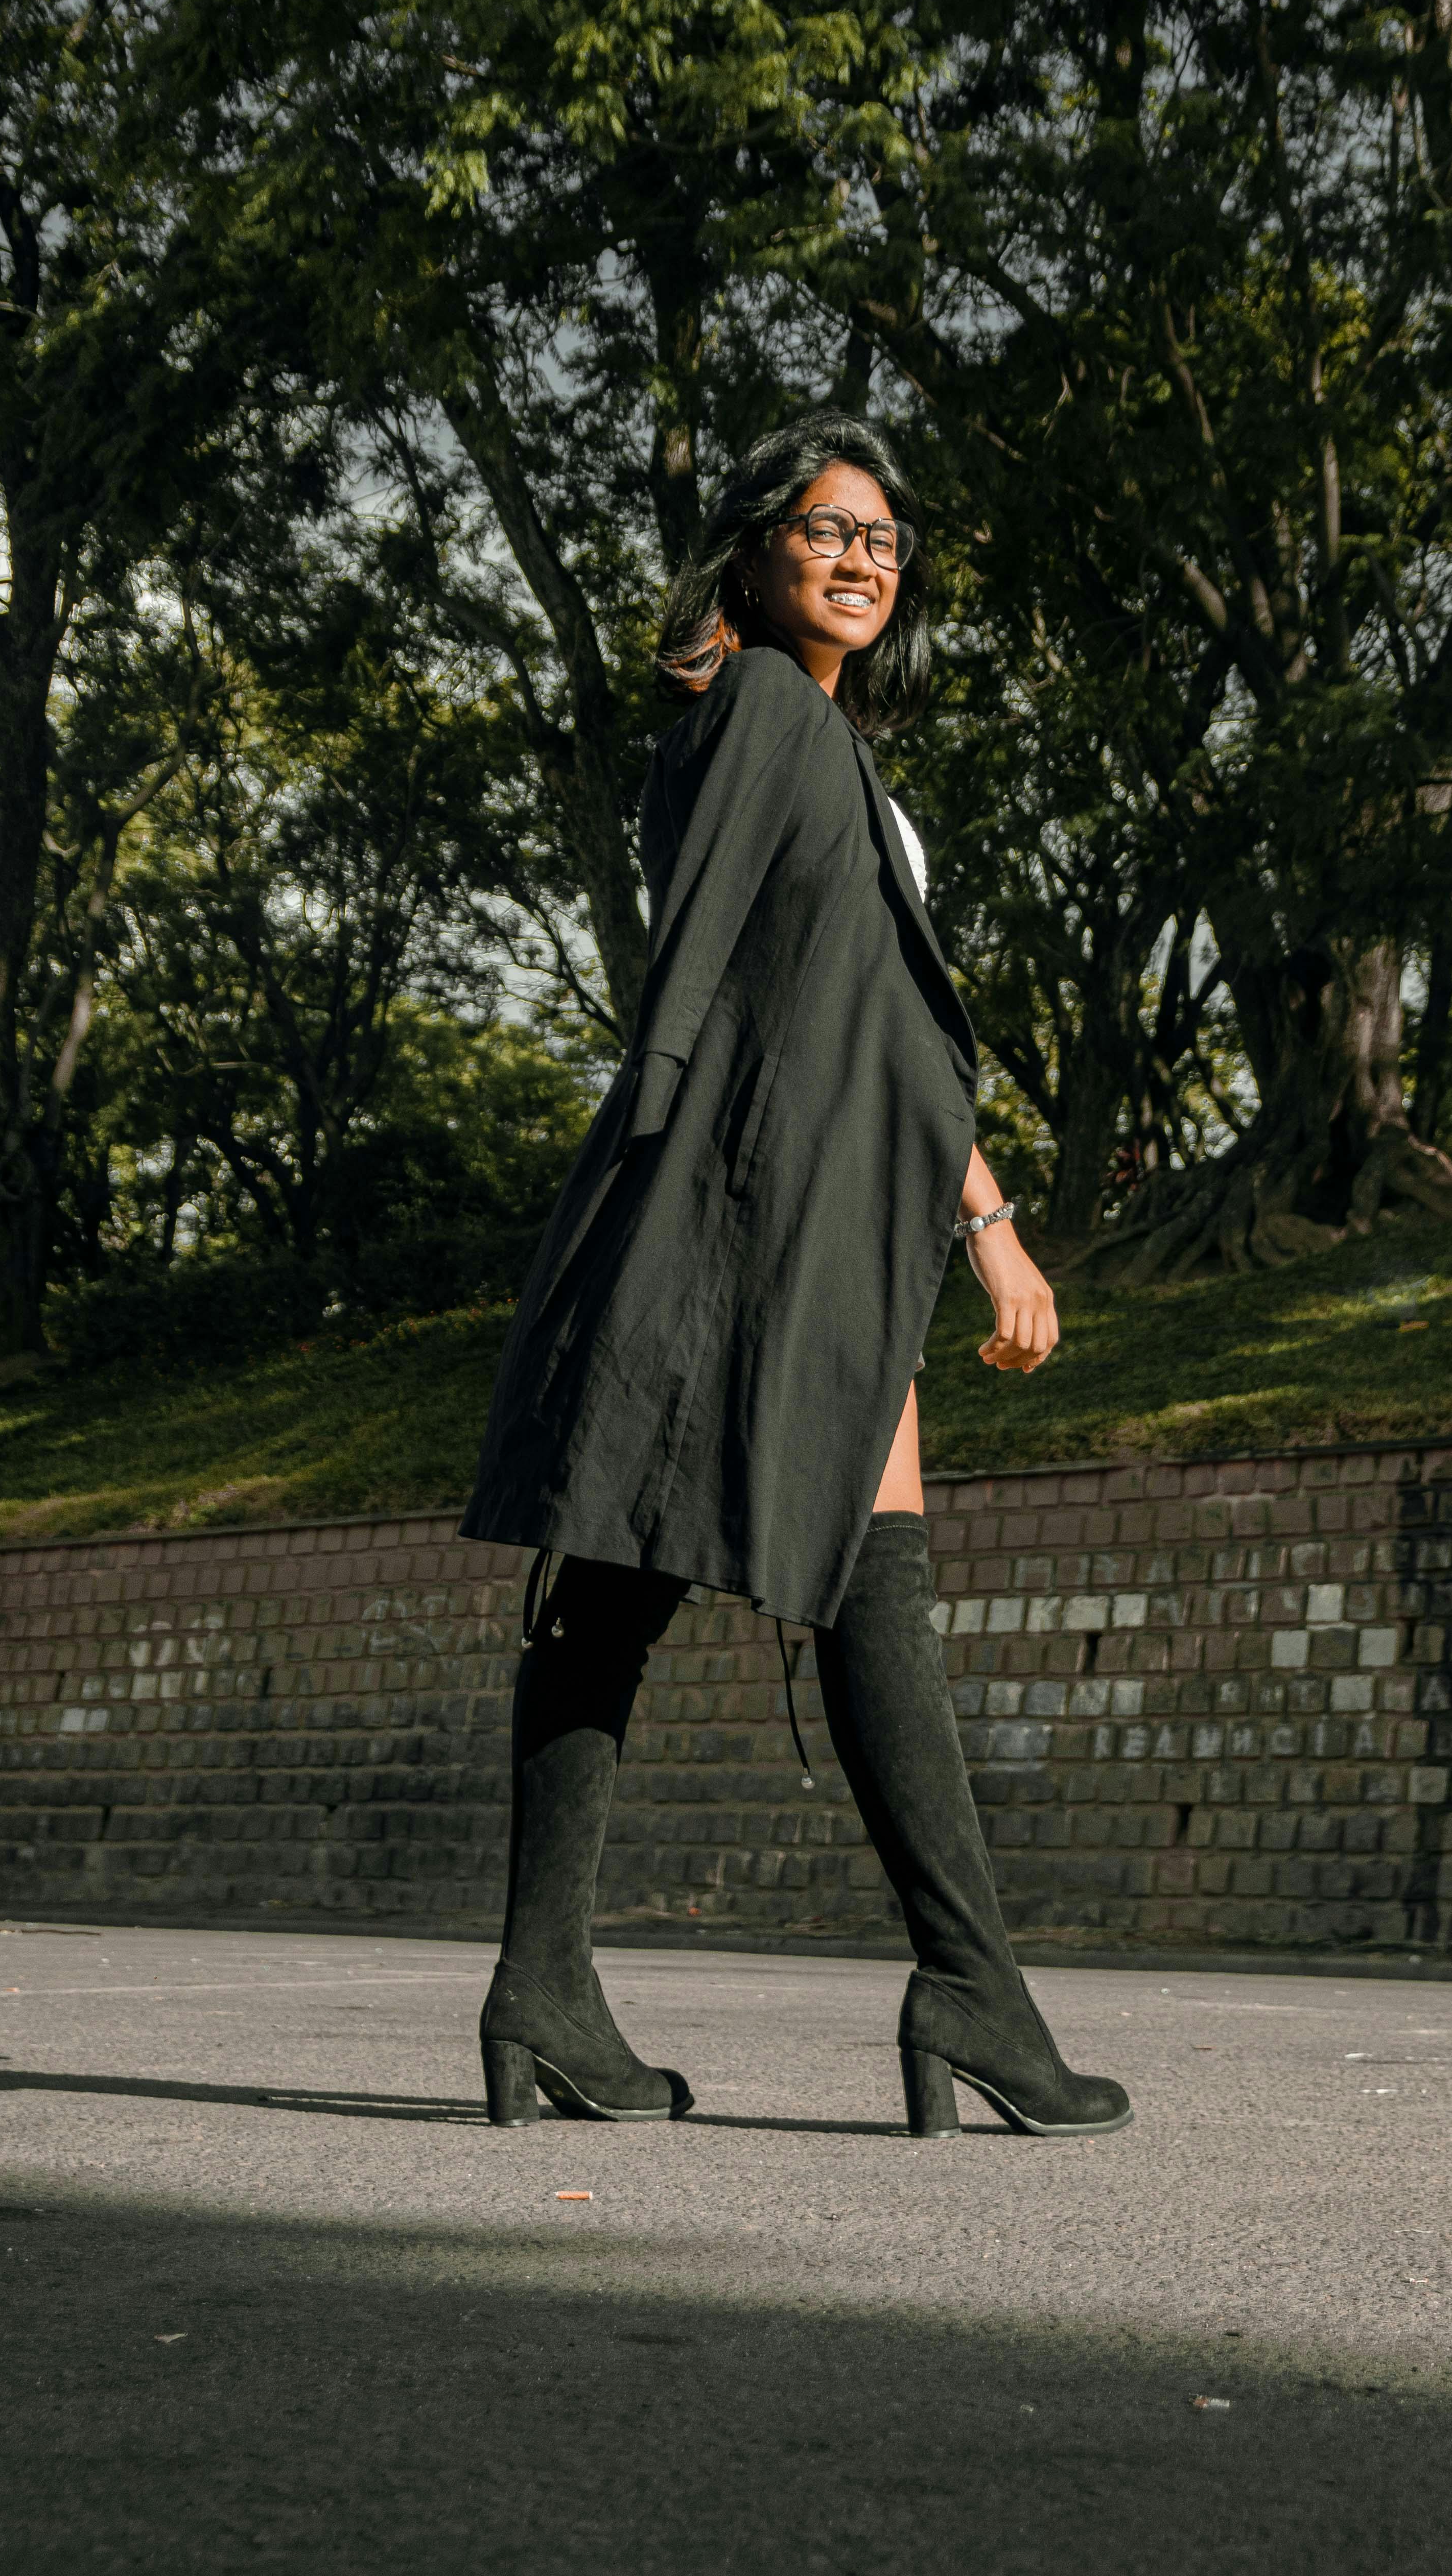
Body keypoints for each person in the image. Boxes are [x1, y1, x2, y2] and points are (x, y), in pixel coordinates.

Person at [463, 409, 1132, 2141]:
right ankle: (963, 1995)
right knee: (734, 1580)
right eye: (828, 529)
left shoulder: (821, 746)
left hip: (823, 1201)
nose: (862, 558)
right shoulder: (762, 707)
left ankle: (559, 1997)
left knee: (660, 1583)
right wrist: (934, 1227)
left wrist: (976, 1212)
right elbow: (712, 990)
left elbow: (875, 1027)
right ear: (758, 551)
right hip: (759, 1208)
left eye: (887, 544)